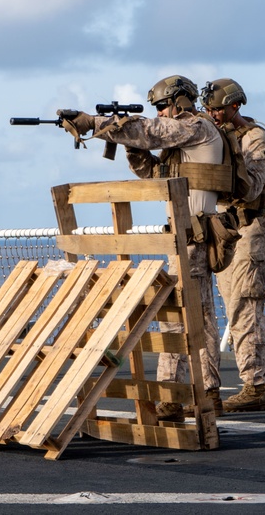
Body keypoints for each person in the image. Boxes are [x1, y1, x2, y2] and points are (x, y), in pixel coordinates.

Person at [62, 75, 225, 421]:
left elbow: (150, 132)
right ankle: (204, 392)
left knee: (181, 317)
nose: (160, 112)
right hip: (183, 236)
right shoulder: (183, 144)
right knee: (197, 315)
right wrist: (124, 139)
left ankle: (175, 396)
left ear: (180, 101)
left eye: (163, 105)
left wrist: (96, 124)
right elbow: (151, 173)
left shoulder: (196, 127)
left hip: (192, 236)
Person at [201, 78, 265, 412]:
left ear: (235, 106)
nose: (212, 114)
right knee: (241, 307)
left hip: (254, 229)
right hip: (230, 229)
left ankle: (254, 386)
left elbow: (251, 188)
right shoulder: (217, 136)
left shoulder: (255, 138)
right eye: (209, 109)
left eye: (218, 109)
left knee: (244, 308)